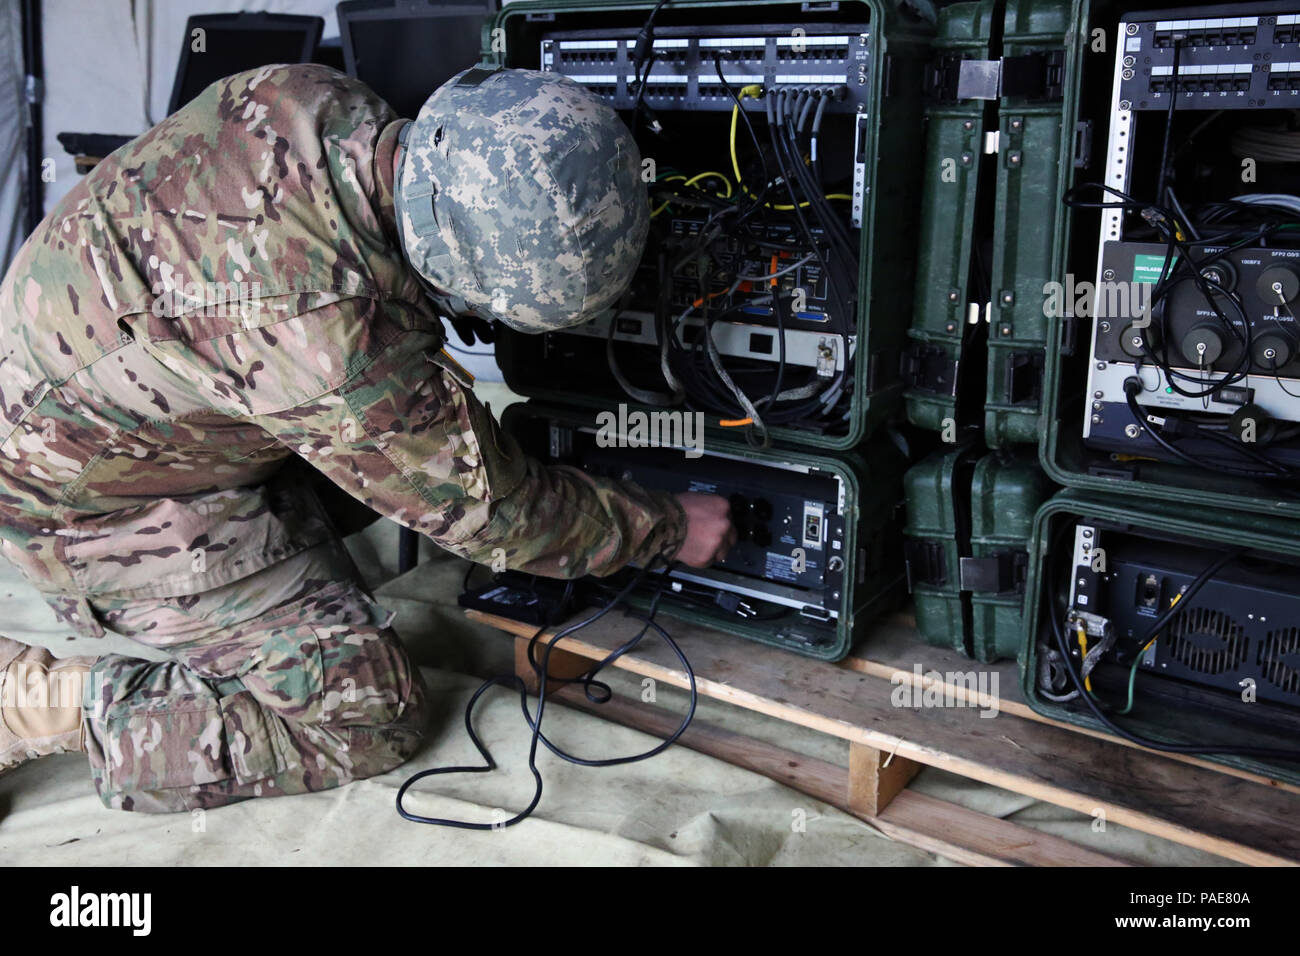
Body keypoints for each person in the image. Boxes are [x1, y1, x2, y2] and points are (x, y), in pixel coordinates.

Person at [0, 63, 733, 812]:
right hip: (89, 514)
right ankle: (32, 700)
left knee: (395, 474)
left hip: (140, 415)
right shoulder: (325, 332)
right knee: (368, 715)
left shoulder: (319, 99)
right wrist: (665, 526)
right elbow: (490, 514)